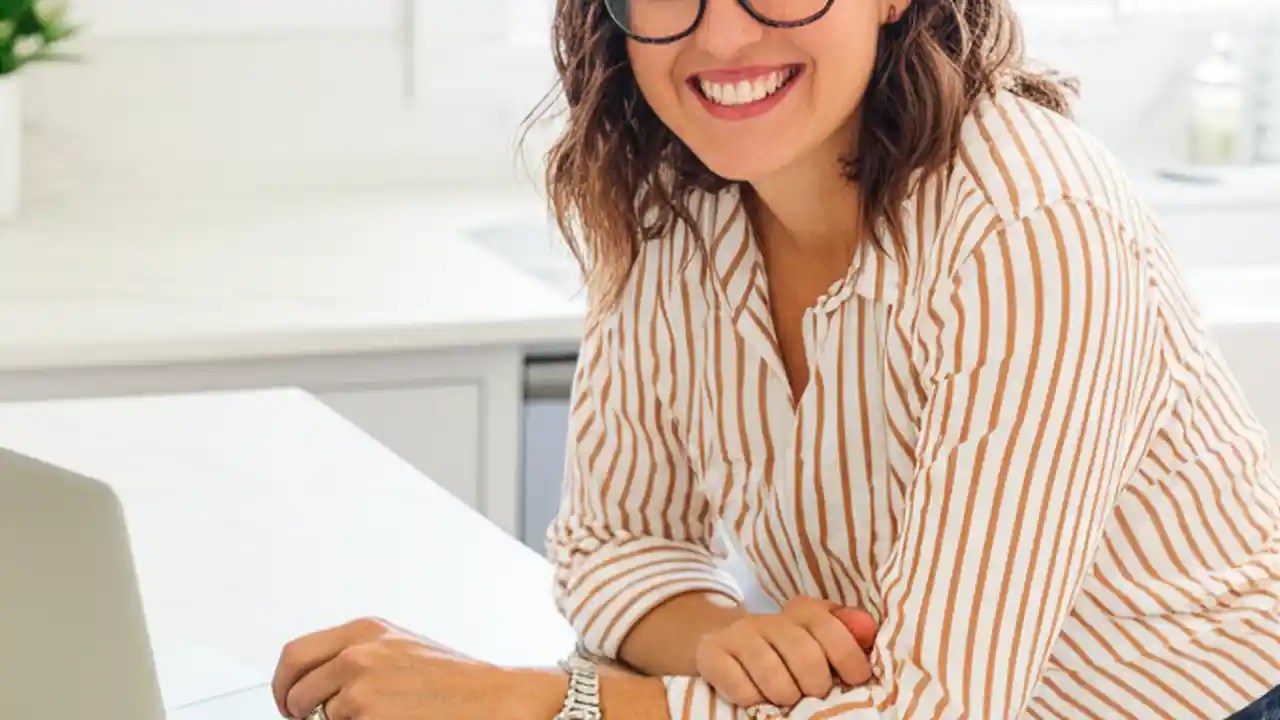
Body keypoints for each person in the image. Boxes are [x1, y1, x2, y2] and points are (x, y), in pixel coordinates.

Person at [269, 0, 1280, 718]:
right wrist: (715, 632)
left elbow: (934, 710)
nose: (718, 34)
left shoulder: (1026, 222)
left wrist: (540, 705)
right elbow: (610, 543)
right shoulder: (670, 198)